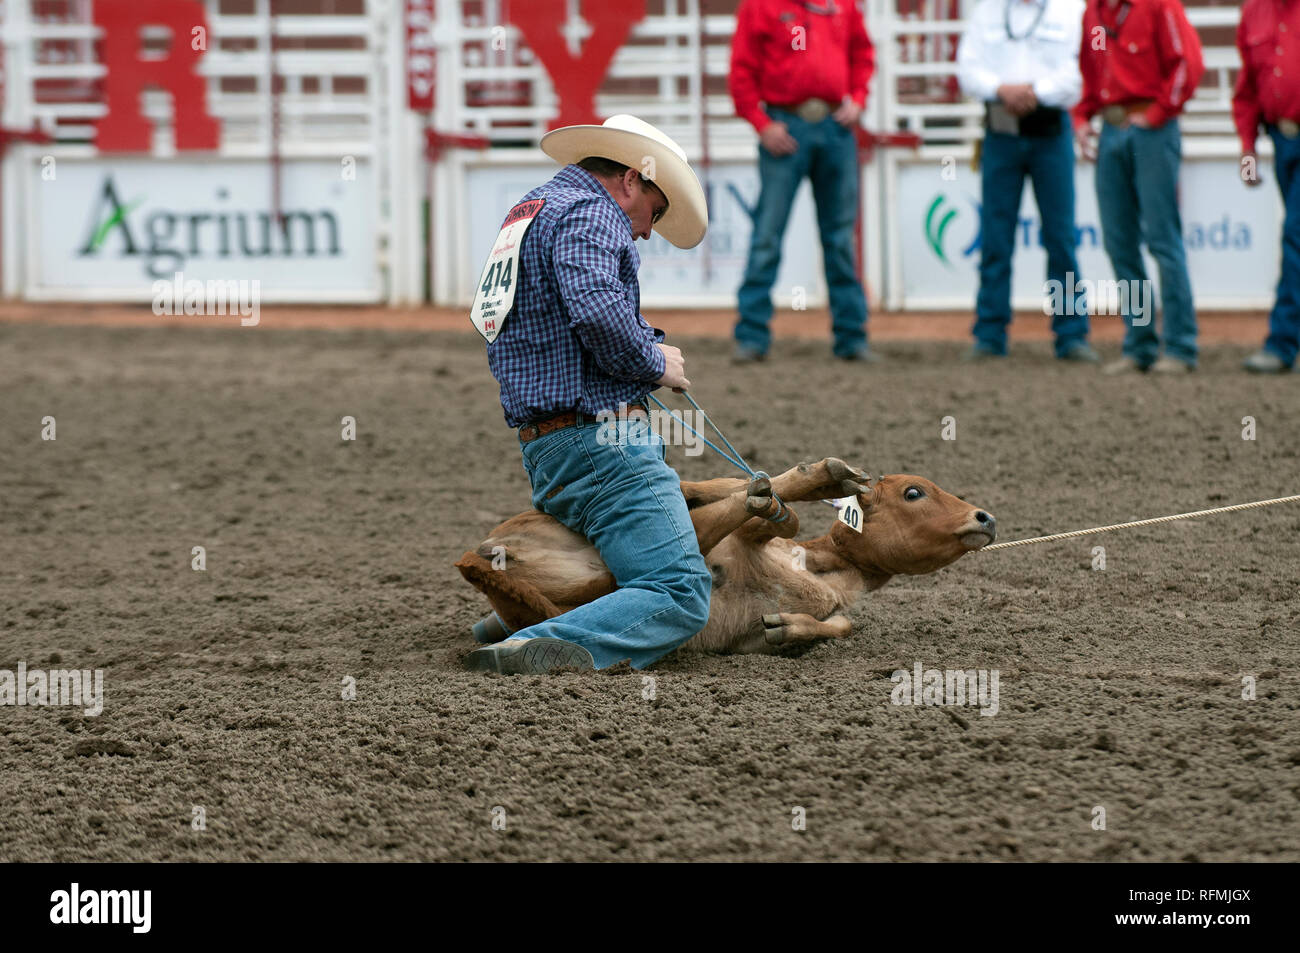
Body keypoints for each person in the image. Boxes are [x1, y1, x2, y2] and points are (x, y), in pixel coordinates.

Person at [463, 115, 712, 674]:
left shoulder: (529, 211)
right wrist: (654, 363)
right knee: (679, 590)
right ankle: (525, 648)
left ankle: (508, 623)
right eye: (655, 211)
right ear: (631, 180)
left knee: (614, 564)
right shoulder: (593, 212)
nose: (647, 230)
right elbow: (598, 312)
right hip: (602, 438)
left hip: (548, 445)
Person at [729, 0, 877, 363]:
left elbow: (863, 53)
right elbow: (741, 69)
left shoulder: (844, 5)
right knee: (769, 234)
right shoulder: (761, 6)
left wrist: (858, 99)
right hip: (786, 127)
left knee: (839, 237)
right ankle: (752, 334)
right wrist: (762, 125)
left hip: (834, 126)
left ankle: (851, 336)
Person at [957, 0, 1099, 363]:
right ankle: (989, 332)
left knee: (1061, 237)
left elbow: (1080, 72)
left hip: (1050, 132)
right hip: (1000, 133)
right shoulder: (987, 10)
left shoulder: (1072, 10)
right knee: (995, 236)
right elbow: (968, 69)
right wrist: (1002, 89)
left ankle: (1070, 333)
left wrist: (1034, 92)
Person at [1074, 0, 1205, 374]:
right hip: (1113, 130)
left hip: (1152, 131)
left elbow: (1187, 63)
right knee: (1120, 243)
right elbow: (1092, 71)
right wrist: (1082, 117)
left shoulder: (1159, 6)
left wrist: (1158, 113)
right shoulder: (1095, 15)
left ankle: (1180, 346)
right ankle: (1141, 343)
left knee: (1162, 239)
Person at [1234, 0, 1300, 374]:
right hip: (1283, 141)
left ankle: (1282, 342)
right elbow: (1248, 92)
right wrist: (1247, 152)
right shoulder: (1254, 12)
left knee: (1295, 236)